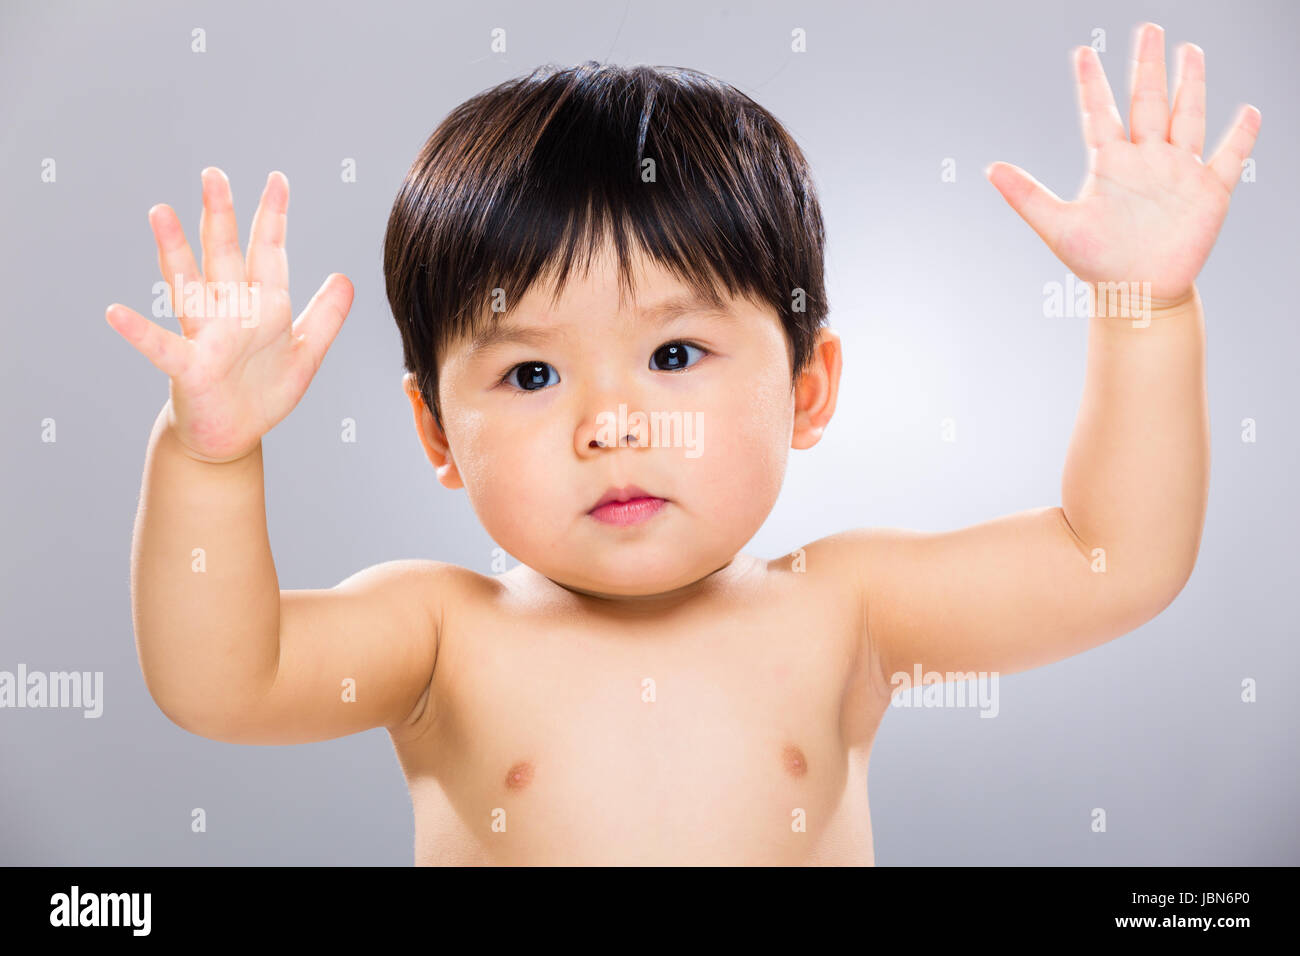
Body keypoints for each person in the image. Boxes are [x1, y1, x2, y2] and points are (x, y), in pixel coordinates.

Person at [106, 23, 1260, 864]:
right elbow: (223, 680)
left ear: (808, 389)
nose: (611, 423)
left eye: (672, 356)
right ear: (434, 431)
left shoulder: (846, 610)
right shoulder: (438, 633)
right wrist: (208, 458)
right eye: (531, 372)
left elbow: (1117, 554)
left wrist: (1143, 308)